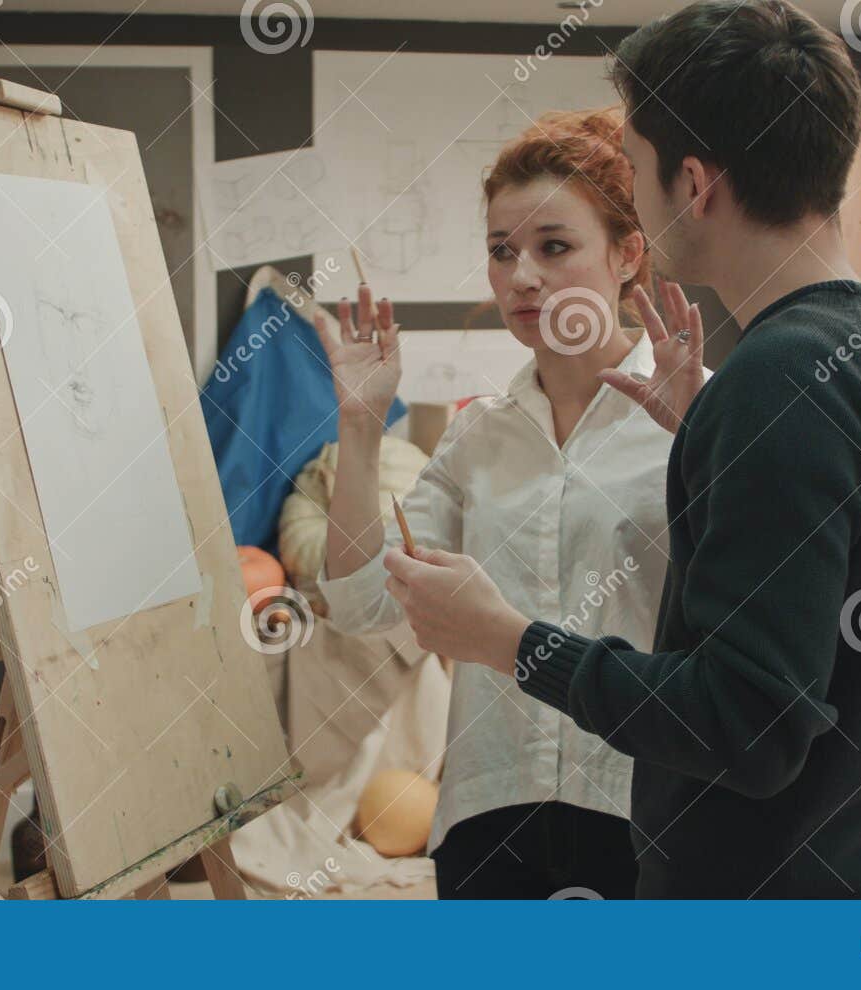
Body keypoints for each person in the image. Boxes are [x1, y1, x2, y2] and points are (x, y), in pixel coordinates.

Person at [380, 0, 861, 898]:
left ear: (695, 183)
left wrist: (511, 642)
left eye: (638, 166)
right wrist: (713, 442)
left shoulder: (778, 382)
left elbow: (746, 725)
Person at [313, 108, 704, 899]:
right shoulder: (476, 437)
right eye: (502, 252)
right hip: (491, 819)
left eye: (554, 246)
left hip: (645, 812)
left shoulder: (699, 417)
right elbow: (358, 604)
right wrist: (359, 426)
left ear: (627, 255)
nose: (522, 274)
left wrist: (706, 438)